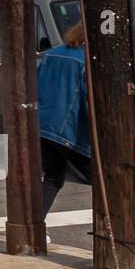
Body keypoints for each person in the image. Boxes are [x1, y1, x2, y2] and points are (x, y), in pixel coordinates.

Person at [36, 20, 94, 218]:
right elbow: (90, 102)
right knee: (106, 179)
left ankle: (35, 226)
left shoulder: (52, 54)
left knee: (52, 177)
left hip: (44, 125)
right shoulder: (87, 60)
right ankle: (114, 231)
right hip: (68, 130)